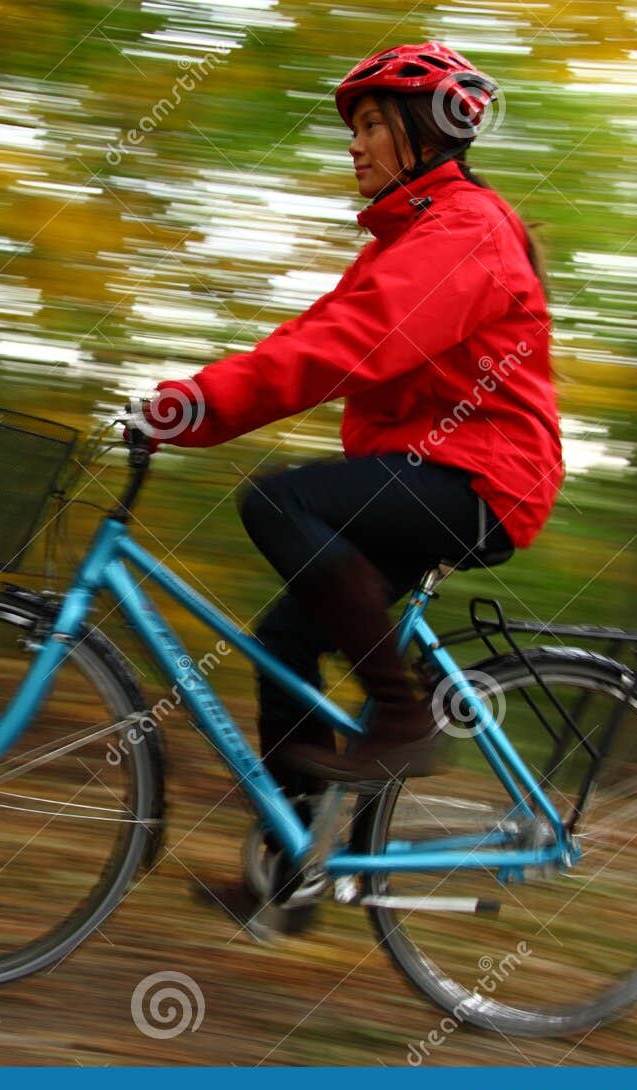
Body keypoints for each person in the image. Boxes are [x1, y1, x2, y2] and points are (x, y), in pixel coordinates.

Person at [134, 42, 564, 933]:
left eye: (373, 124)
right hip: (431, 467)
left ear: (431, 129)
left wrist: (196, 407)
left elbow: (350, 345)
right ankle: (296, 871)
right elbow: (316, 332)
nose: (356, 145)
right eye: (356, 128)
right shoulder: (410, 239)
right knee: (283, 638)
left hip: (482, 474)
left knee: (280, 499)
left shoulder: (467, 231)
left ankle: (405, 722)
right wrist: (191, 404)